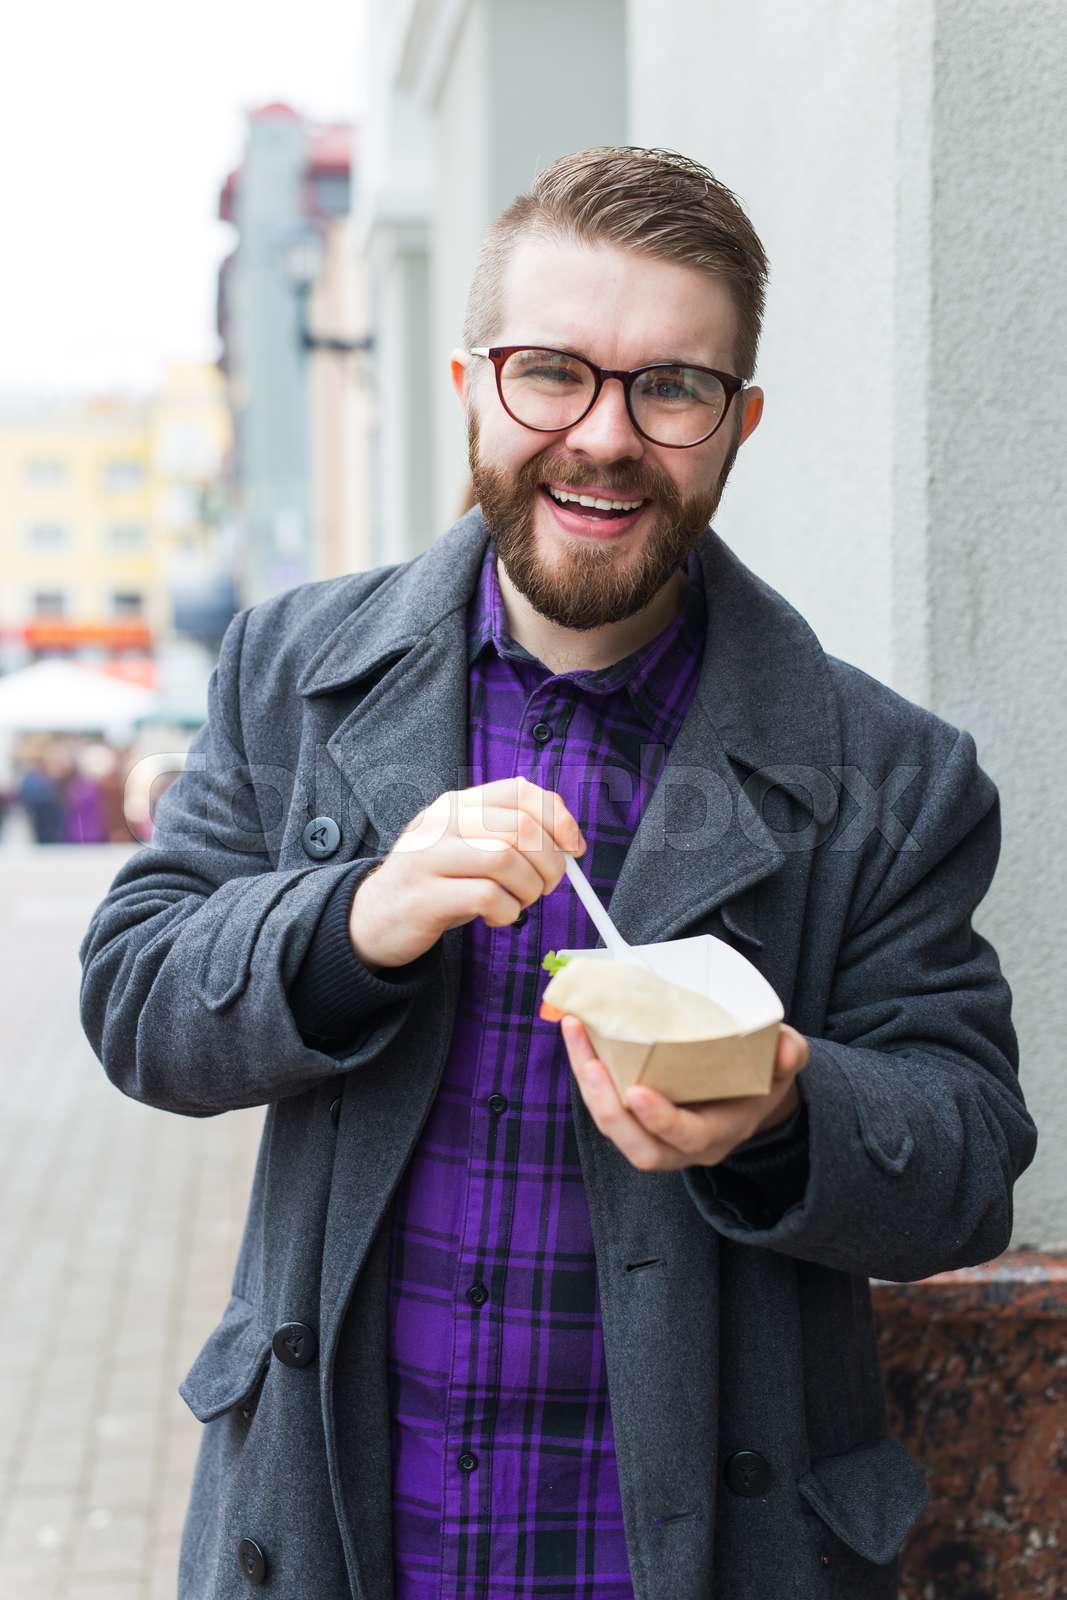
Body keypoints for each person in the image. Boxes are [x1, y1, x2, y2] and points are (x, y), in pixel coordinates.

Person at [78, 146, 1037, 1600]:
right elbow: (136, 996)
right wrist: (349, 923)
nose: (604, 434)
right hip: (342, 1528)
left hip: (694, 1555)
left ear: (737, 424)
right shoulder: (293, 672)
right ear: (474, 384)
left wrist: (778, 1110)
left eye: (670, 387)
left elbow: (967, 1161)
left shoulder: (891, 773)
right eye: (552, 373)